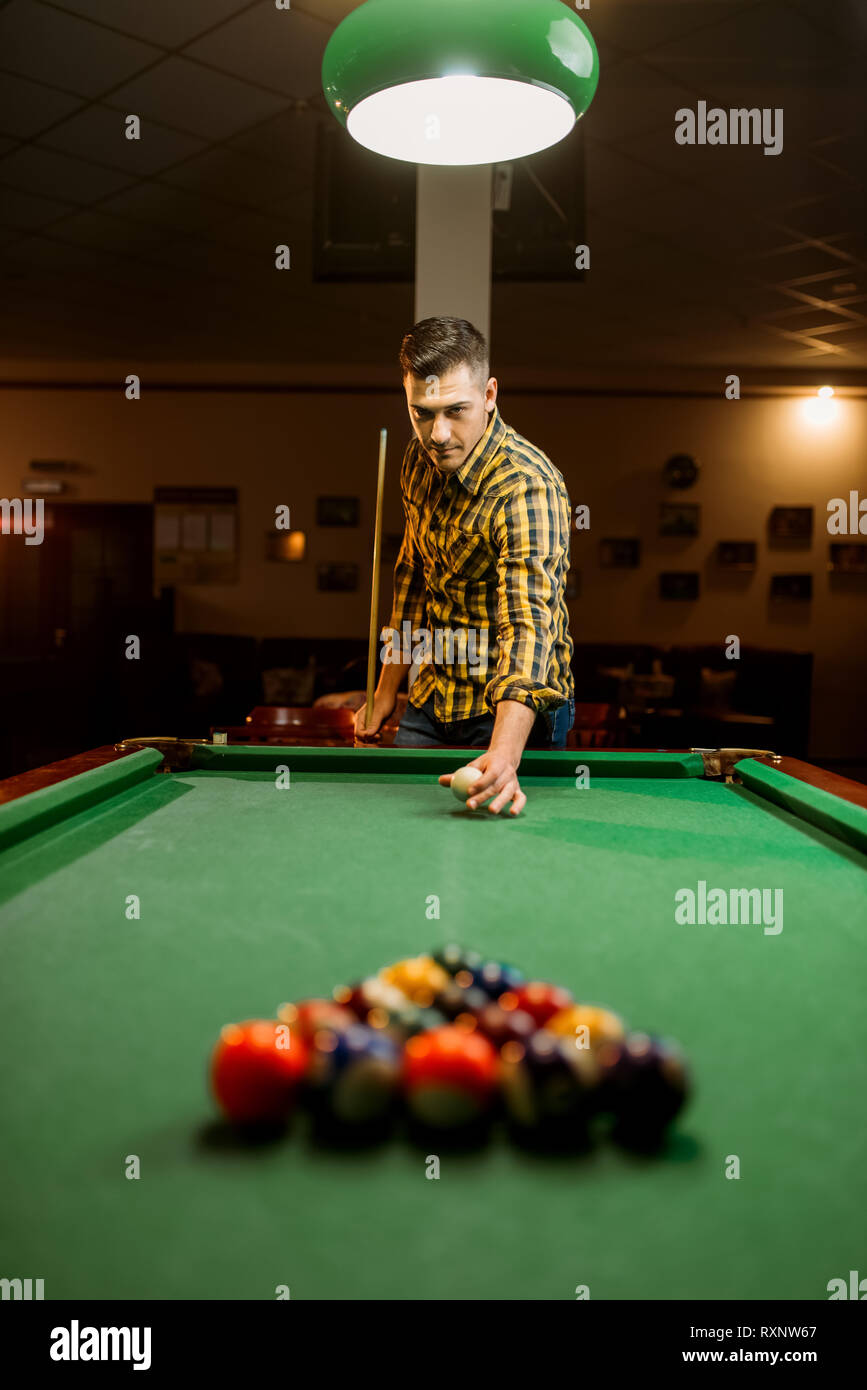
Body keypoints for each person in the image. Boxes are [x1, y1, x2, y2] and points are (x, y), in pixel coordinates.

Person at [356, 317, 574, 815]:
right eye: (421, 413)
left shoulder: (527, 487)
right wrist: (386, 689)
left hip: (516, 713)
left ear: (490, 394)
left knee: (507, 856)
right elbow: (412, 577)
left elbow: (529, 625)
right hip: (432, 696)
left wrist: (503, 753)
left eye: (457, 410)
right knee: (397, 835)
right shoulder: (417, 461)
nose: (439, 434)